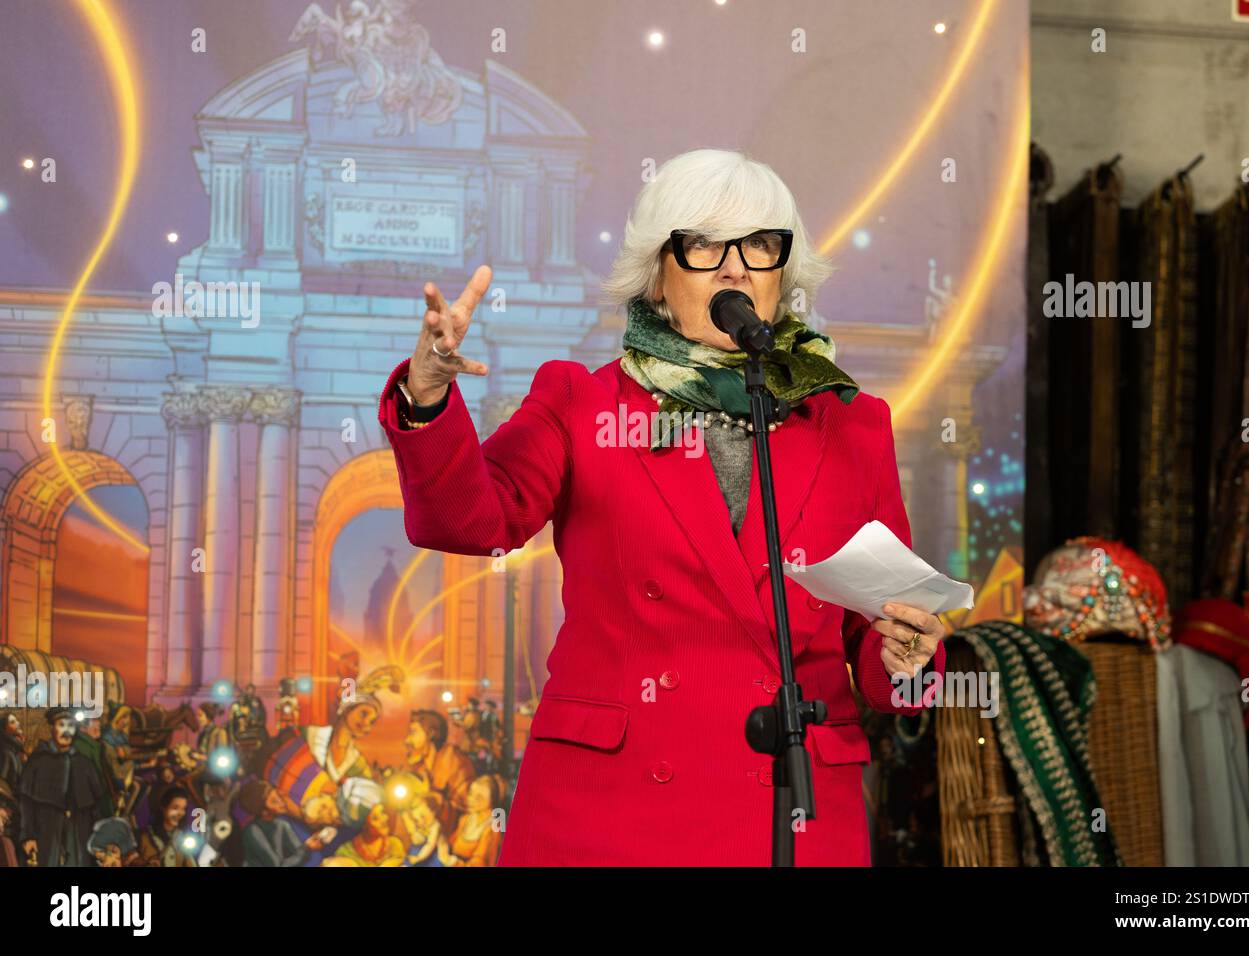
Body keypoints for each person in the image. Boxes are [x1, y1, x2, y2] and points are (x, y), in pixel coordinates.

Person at [378, 148, 947, 866]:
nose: (735, 268)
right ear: (656, 273)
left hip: (793, 812)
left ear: (785, 274)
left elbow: (882, 622)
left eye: (761, 245)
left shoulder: (852, 424)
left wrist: (906, 656)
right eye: (705, 244)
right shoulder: (580, 402)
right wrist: (426, 393)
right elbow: (472, 520)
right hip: (613, 814)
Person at [18, 708, 106, 866]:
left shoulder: (84, 763)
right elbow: (26, 802)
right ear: (53, 728)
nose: (66, 731)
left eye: (71, 726)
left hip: (79, 829)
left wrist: (100, 838)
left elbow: (97, 803)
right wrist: (28, 836)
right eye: (62, 725)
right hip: (47, 827)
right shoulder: (38, 761)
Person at [238, 780, 327, 867]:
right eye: (274, 801)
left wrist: (312, 842)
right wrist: (307, 848)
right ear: (263, 811)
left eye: (279, 797)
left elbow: (299, 853)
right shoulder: (253, 831)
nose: (281, 802)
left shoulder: (282, 825)